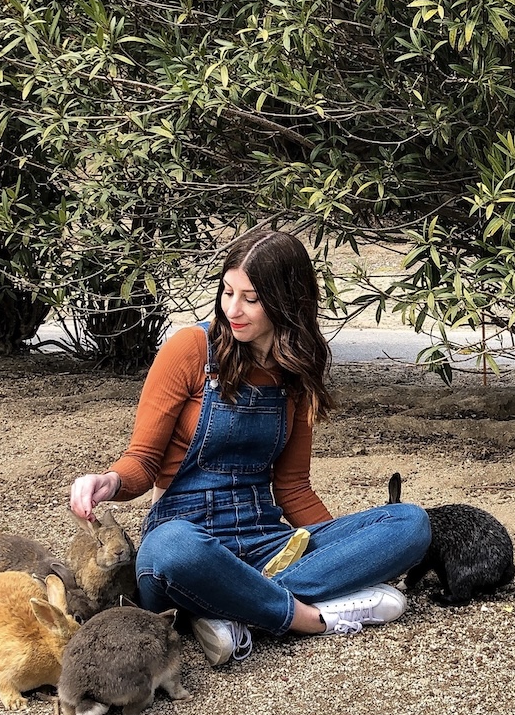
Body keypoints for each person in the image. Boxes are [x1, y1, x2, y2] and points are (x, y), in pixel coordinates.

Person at [68, 230, 430, 666]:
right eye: (227, 292)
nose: (232, 309)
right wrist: (108, 481)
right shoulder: (190, 349)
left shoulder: (295, 374)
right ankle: (311, 618)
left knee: (409, 523)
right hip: (188, 541)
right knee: (171, 547)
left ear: (285, 302)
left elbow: (293, 487)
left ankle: (235, 610)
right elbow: (143, 462)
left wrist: (343, 551)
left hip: (267, 542)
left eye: (251, 298)